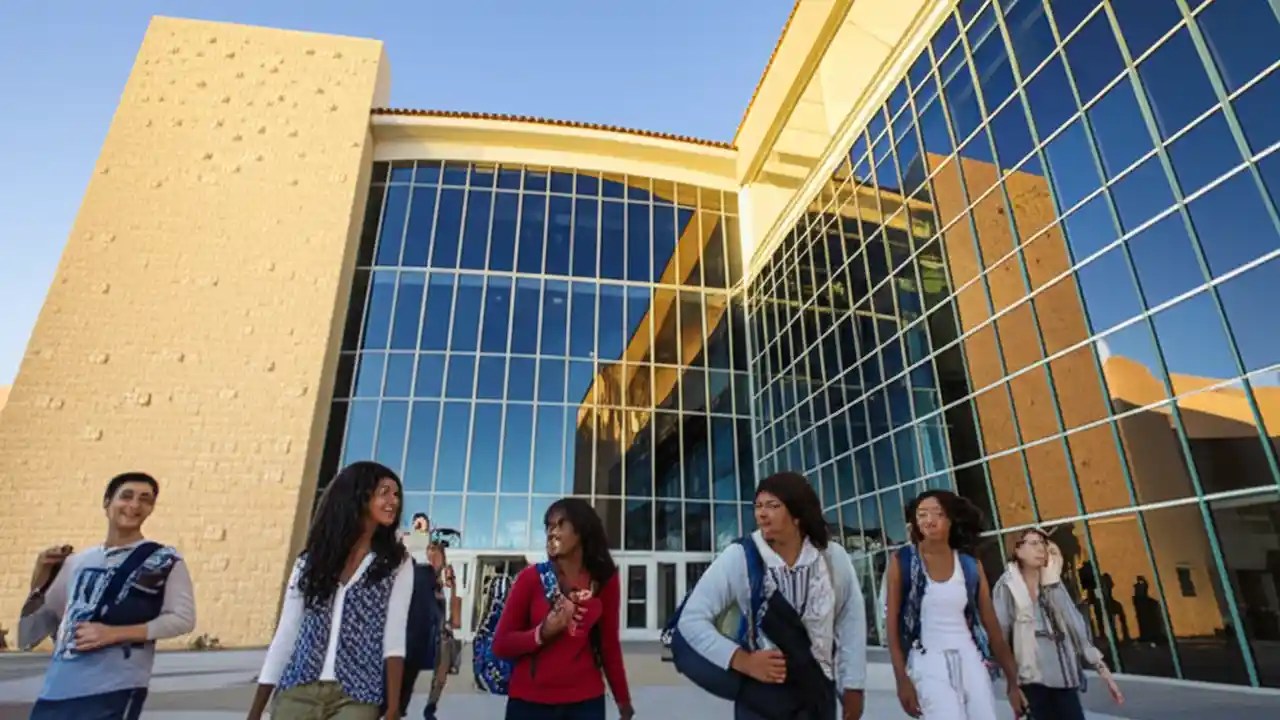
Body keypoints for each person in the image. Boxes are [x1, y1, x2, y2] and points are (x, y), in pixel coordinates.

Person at [678, 471, 867, 720]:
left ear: (797, 515)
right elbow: (691, 619)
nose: (761, 513)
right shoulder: (740, 556)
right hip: (762, 696)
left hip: (817, 695)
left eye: (773, 506)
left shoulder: (832, 557)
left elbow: (850, 620)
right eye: (758, 506)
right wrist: (742, 660)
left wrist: (853, 685)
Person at [18, 472, 197, 719]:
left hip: (114, 688)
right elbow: (33, 631)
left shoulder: (164, 560)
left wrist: (114, 634)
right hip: (57, 690)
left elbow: (182, 618)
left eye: (145, 499)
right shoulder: (76, 562)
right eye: (126, 496)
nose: (135, 505)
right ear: (106, 502)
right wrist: (41, 574)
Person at [247, 461, 414, 720]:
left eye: (396, 494)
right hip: (297, 688)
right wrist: (256, 709)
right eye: (384, 492)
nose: (394, 501)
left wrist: (393, 707)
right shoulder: (310, 561)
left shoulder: (396, 563)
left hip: (357, 695)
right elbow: (287, 632)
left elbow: (394, 637)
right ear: (358, 495)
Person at [885, 490, 1025, 720]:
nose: (929, 520)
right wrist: (902, 679)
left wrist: (1013, 682)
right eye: (922, 515)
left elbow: (992, 628)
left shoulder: (969, 566)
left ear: (951, 519)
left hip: (969, 656)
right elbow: (891, 625)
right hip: (927, 660)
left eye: (938, 513)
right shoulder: (903, 561)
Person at [492, 498, 633, 720]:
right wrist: (542, 633)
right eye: (549, 526)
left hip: (586, 704)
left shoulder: (604, 580)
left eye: (560, 524)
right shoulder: (530, 579)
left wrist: (623, 700)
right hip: (530, 704)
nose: (552, 532)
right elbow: (501, 644)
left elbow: (609, 645)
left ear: (582, 530)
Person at [993, 528, 1124, 720]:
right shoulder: (1006, 586)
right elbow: (1001, 636)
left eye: (1043, 544)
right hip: (1030, 679)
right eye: (1034, 543)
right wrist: (1012, 686)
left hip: (1063, 676)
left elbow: (1074, 626)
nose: (1041, 549)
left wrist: (1103, 670)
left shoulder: (1053, 582)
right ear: (1017, 550)